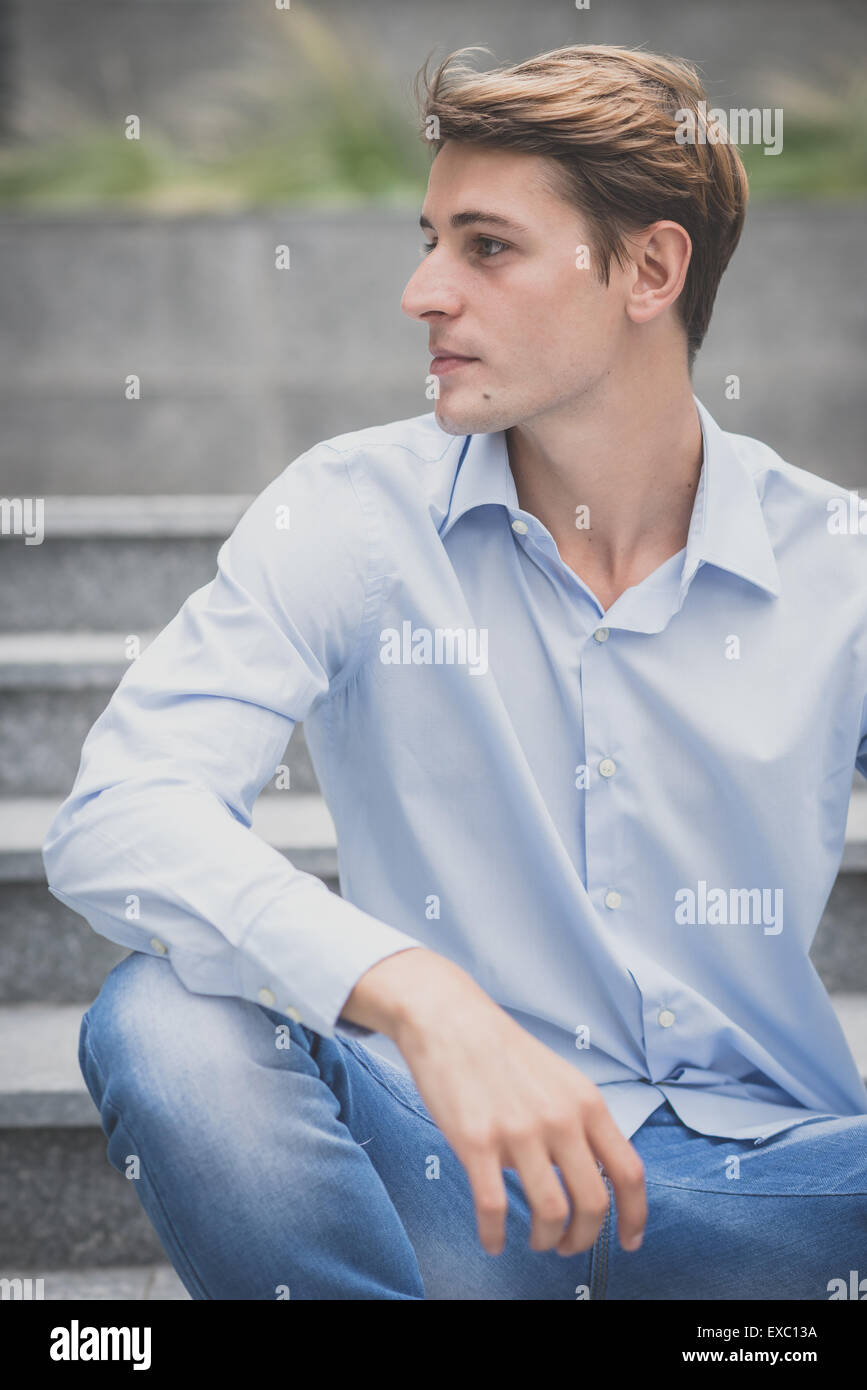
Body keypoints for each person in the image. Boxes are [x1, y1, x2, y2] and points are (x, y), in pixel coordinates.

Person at [44, 43, 867, 1300]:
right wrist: (416, 993)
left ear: (649, 268)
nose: (423, 291)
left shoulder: (838, 566)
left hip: (782, 1208)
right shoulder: (352, 512)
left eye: (485, 246)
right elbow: (119, 815)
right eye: (429, 238)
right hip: (454, 1188)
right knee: (164, 1022)